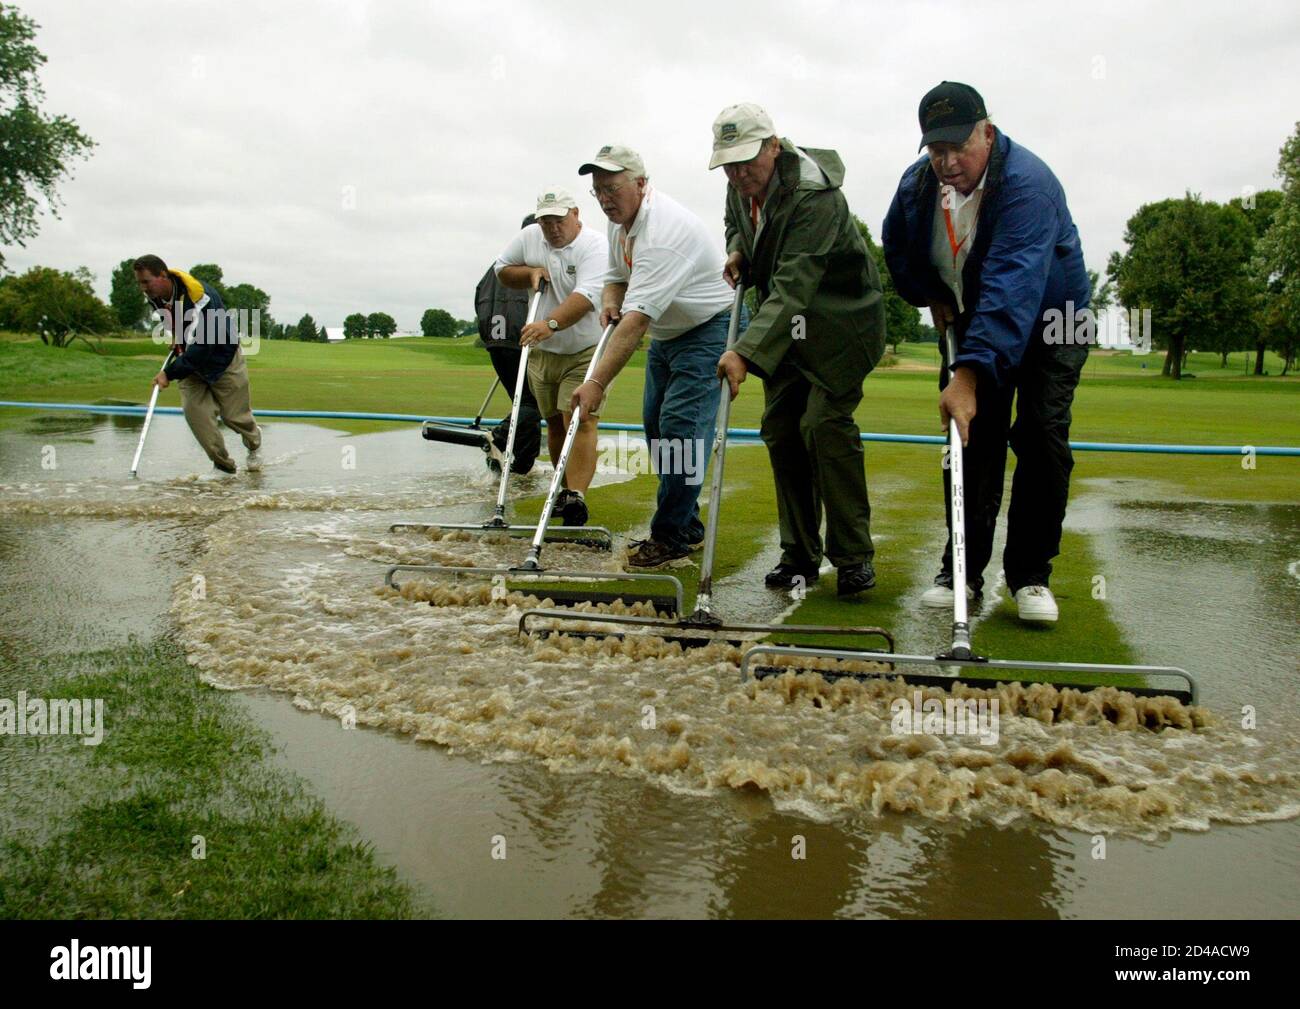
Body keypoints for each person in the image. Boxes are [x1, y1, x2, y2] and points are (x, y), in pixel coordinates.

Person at [881, 82, 1091, 623]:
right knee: (972, 441)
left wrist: (968, 376)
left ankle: (1029, 578)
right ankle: (961, 573)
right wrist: (928, 293)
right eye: (935, 150)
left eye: (959, 148)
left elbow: (1012, 284)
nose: (948, 163)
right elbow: (898, 245)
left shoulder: (1028, 186)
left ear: (988, 133)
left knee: (1041, 436)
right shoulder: (917, 185)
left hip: (1053, 318)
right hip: (978, 310)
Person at [709, 103, 885, 597]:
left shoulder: (815, 195)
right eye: (729, 164)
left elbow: (793, 284)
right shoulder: (738, 185)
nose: (739, 173)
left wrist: (743, 352)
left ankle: (852, 556)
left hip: (840, 324)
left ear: (774, 145)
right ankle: (799, 556)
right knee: (782, 430)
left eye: (747, 160)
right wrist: (738, 250)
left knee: (823, 425)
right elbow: (736, 225)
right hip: (788, 329)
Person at [568, 144, 738, 569]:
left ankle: (670, 536)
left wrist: (595, 384)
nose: (605, 198)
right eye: (598, 190)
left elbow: (636, 322)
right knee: (656, 429)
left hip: (708, 327)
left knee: (680, 429)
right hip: (668, 332)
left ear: (641, 184)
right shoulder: (619, 223)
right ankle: (688, 523)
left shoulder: (664, 232)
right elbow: (615, 278)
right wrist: (610, 299)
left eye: (613, 187)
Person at [493, 188, 609, 525]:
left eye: (558, 219)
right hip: (543, 352)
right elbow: (502, 268)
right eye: (546, 220)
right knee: (555, 423)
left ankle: (577, 496)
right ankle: (562, 489)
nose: (552, 227)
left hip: (585, 348)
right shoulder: (530, 237)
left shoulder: (595, 245)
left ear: (575, 214)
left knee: (580, 417)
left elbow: (587, 295)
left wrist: (551, 323)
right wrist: (529, 274)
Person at [133, 254, 261, 474]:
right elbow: (173, 319)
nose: (143, 288)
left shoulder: (201, 298)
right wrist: (177, 336)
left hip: (223, 359)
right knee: (197, 416)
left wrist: (168, 373)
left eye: (146, 281)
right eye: (139, 283)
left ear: (162, 275)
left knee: (234, 418)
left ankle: (254, 445)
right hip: (190, 362)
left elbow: (203, 348)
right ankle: (223, 467)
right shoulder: (156, 296)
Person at [473, 214, 542, 474]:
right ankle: (502, 440)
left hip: (495, 339)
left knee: (524, 401)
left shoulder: (498, 264)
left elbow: (478, 295)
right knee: (532, 402)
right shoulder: (530, 264)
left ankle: (523, 461)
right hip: (520, 338)